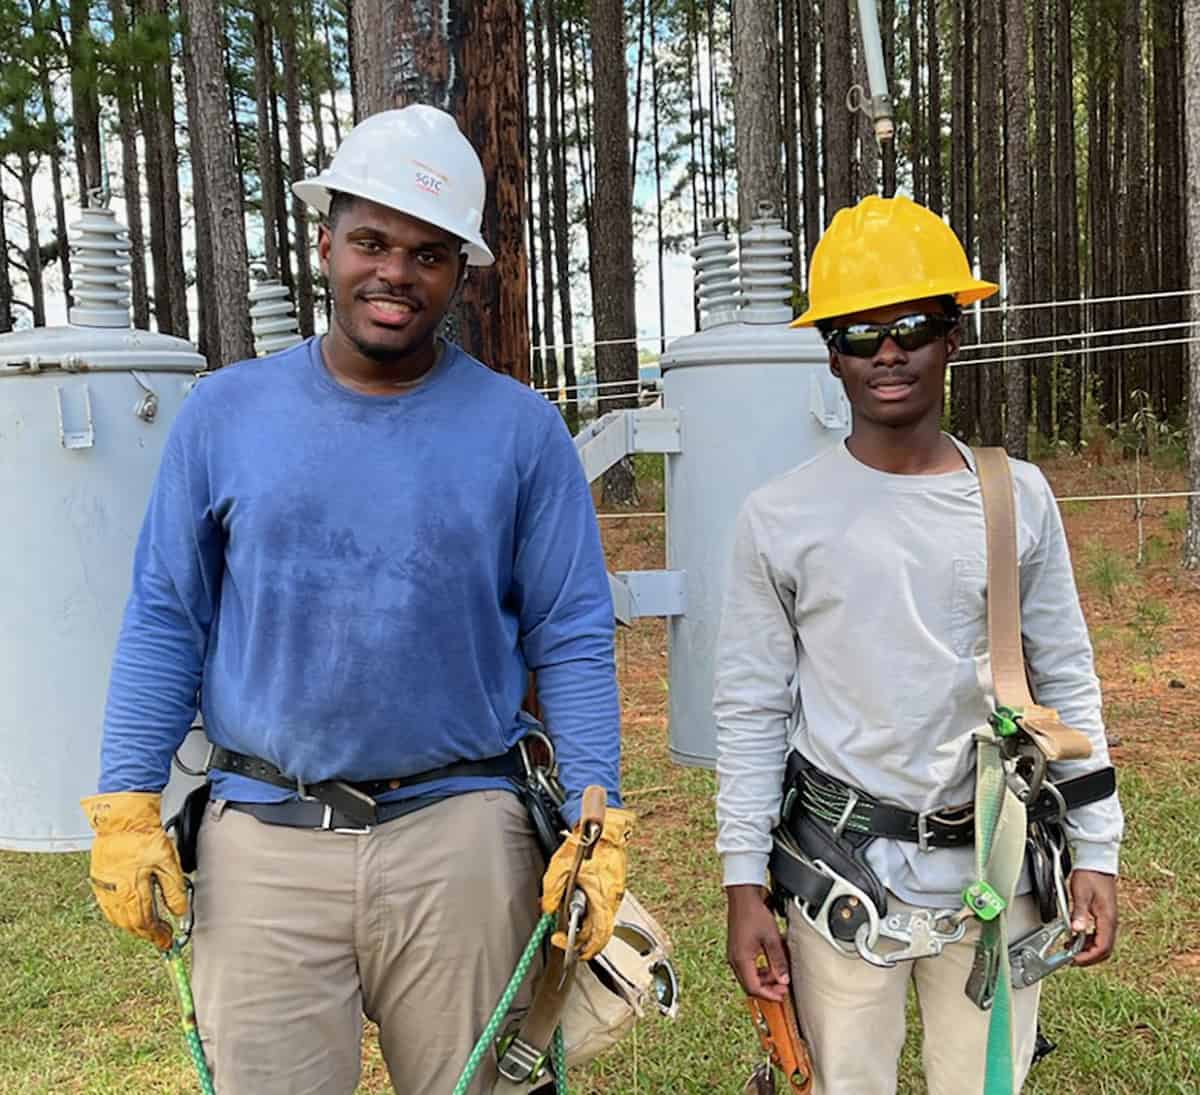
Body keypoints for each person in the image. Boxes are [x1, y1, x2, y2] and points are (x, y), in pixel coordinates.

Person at [80, 104, 631, 1095]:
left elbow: (573, 633)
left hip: (463, 836)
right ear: (324, 240)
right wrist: (128, 804)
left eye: (427, 254)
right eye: (371, 241)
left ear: (459, 272)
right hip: (263, 841)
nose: (395, 274)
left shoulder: (521, 433)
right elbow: (167, 614)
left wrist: (597, 824)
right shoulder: (224, 417)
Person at [715, 194, 1123, 1094]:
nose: (888, 351)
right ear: (830, 352)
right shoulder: (778, 519)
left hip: (996, 867)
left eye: (912, 326)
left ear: (954, 336)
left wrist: (1097, 849)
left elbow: (1069, 680)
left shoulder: (1016, 498)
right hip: (841, 879)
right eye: (861, 332)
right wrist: (746, 882)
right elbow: (750, 708)